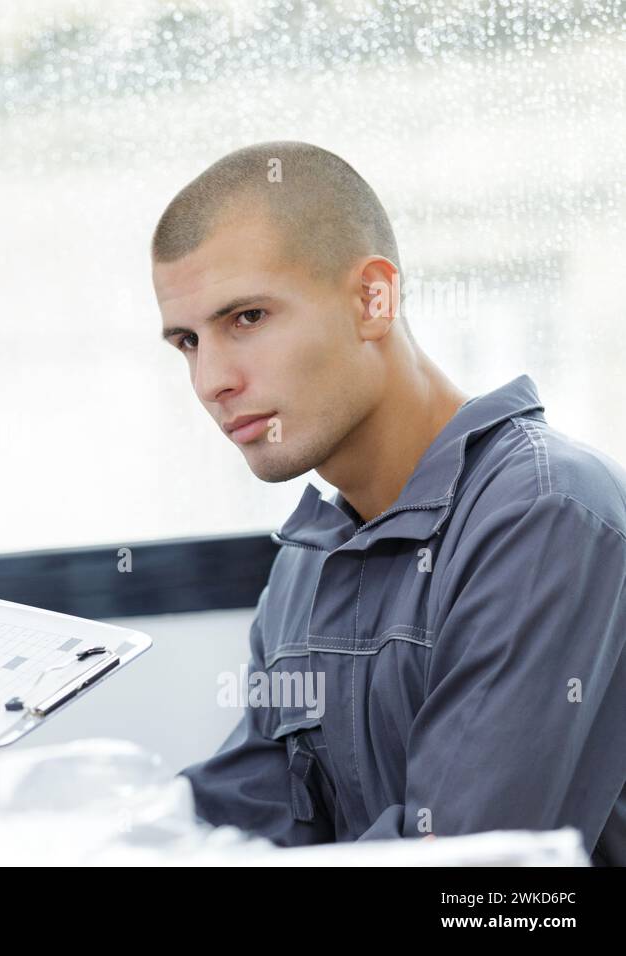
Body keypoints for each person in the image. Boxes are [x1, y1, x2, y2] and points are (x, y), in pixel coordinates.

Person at [151, 141, 626, 864]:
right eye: (187, 341)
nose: (211, 379)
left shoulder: (545, 513)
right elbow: (240, 818)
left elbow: (464, 872)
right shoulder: (307, 566)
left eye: (246, 318)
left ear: (373, 297)